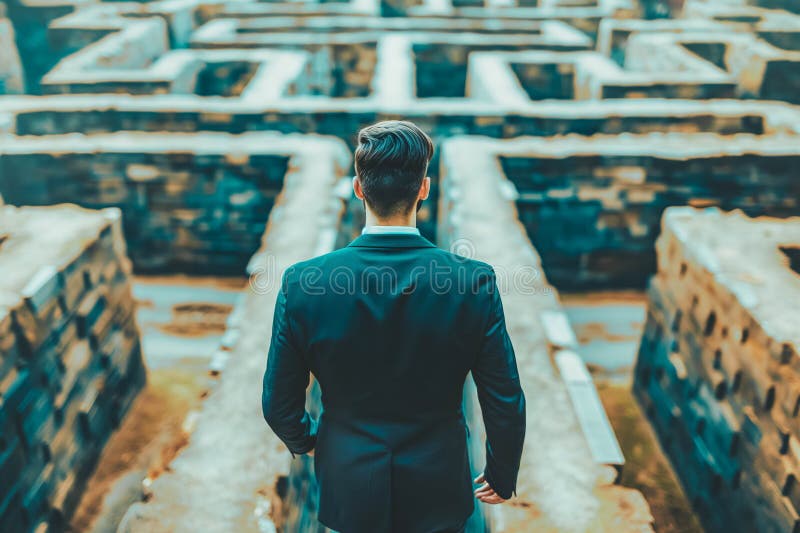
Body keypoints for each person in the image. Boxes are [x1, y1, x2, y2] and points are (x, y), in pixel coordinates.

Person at [262, 120, 526, 533]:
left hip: (349, 482)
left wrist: (313, 441)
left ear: (358, 188)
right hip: (438, 482)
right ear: (424, 188)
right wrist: (501, 470)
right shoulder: (473, 282)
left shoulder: (303, 283)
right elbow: (504, 396)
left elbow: (278, 403)